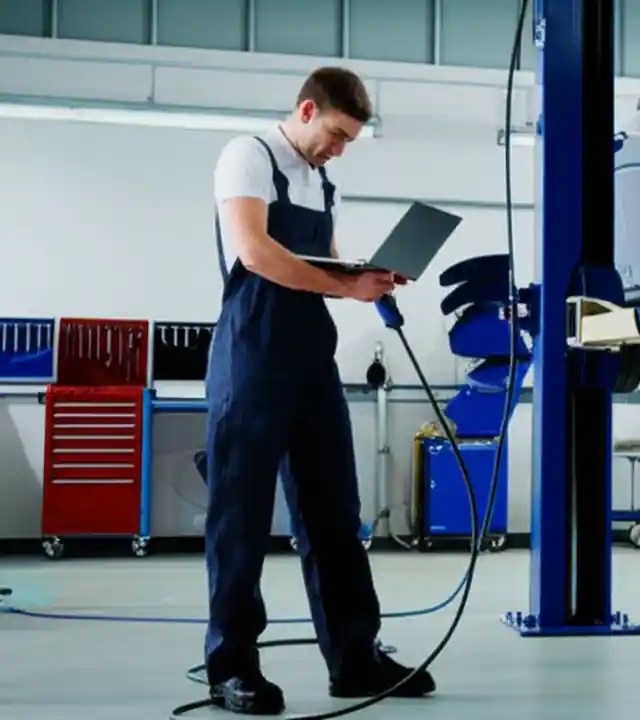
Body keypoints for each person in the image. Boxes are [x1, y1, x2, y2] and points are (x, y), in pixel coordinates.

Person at [204, 66, 433, 715]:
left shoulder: (319, 178)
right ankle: (232, 666)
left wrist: (367, 273)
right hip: (251, 350)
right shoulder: (247, 157)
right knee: (240, 516)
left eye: (350, 141)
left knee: (335, 511)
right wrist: (344, 287)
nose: (340, 149)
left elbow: (323, 258)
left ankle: (355, 655)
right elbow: (254, 251)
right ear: (307, 110)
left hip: (310, 356)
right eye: (336, 134)